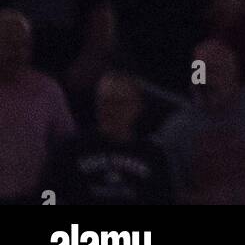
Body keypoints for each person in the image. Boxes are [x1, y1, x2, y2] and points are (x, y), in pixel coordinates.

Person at [152, 39, 245, 205]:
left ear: (233, 71)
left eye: (217, 69)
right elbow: (170, 189)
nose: (209, 78)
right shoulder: (177, 128)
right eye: (202, 70)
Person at [42, 71, 173, 205]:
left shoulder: (152, 156)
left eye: (119, 103)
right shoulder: (71, 151)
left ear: (137, 106)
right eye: (105, 102)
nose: (111, 110)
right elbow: (49, 195)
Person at [0, 9, 77, 203]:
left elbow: (67, 147)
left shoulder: (47, 90)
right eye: (8, 44)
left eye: (22, 45)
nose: (16, 52)